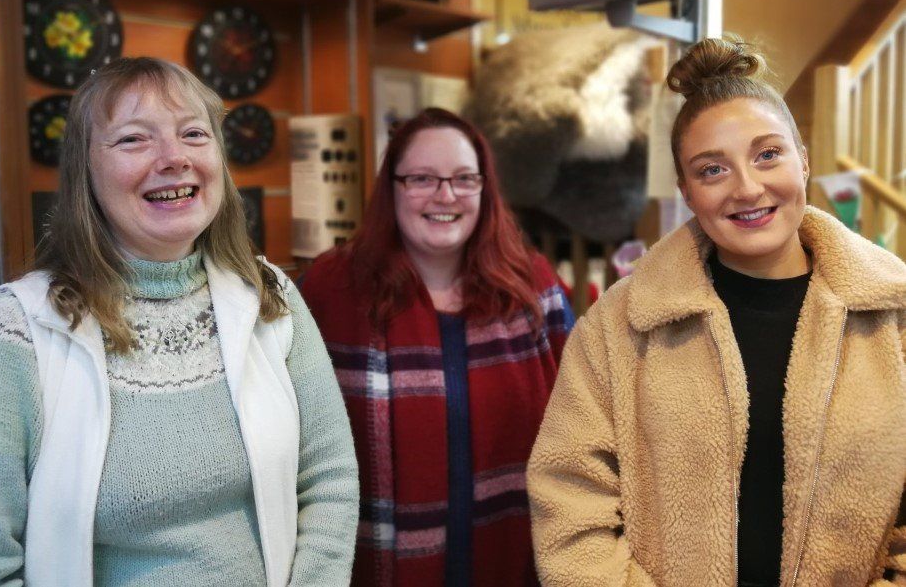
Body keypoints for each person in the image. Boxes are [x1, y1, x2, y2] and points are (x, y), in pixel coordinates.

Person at [528, 38, 906, 586]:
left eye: (767, 154)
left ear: (804, 160)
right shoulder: (619, 327)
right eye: (712, 170)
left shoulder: (894, 315)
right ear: (685, 189)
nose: (747, 188)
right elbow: (569, 504)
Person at [0, 57, 358, 586]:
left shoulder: (269, 295)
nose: (174, 158)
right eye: (134, 140)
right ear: (85, 169)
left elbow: (328, 481)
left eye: (193, 134)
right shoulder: (18, 328)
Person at [299, 107, 574, 586]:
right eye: (422, 179)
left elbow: (579, 428)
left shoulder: (533, 287)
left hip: (515, 563)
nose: (446, 196)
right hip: (372, 567)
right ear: (393, 189)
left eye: (464, 179)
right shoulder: (332, 289)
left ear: (484, 189)